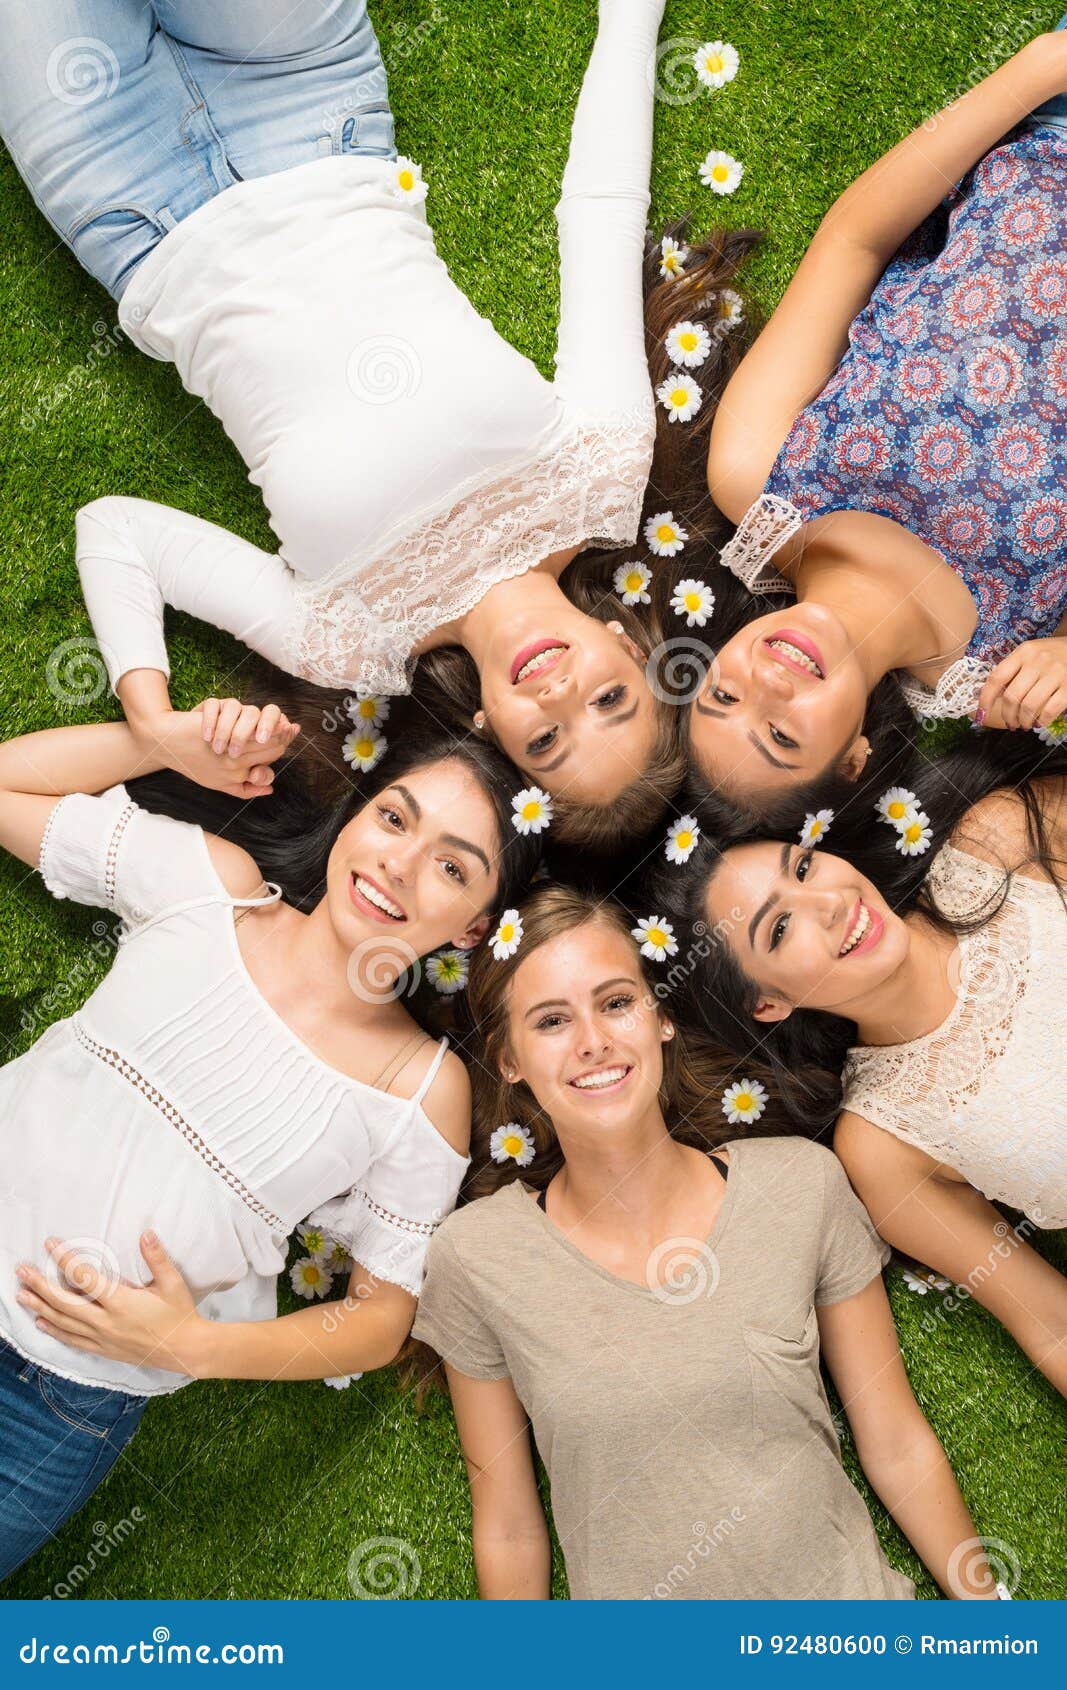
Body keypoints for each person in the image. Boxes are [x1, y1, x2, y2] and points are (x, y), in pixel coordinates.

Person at [0, 0, 688, 836]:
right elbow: (601, 212)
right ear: (628, 644)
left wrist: (153, 722)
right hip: (308, 101)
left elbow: (115, 532)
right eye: (610, 699)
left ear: (490, 734)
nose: (560, 694)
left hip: (121, 201)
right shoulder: (605, 474)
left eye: (546, 741)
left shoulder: (351, 644)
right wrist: (631, 17)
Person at [0, 708, 539, 1581]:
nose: (398, 865)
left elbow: (379, 1321)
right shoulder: (208, 885)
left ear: (475, 928)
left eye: (451, 867)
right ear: (355, 816)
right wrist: (157, 742)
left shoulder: (418, 1089)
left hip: (59, 1406)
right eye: (393, 818)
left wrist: (190, 1347)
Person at [409, 886, 1003, 1600]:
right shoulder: (478, 1256)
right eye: (552, 1021)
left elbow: (895, 1441)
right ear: (508, 1059)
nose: (593, 1041)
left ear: (661, 1018)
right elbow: (508, 1525)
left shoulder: (800, 1184)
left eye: (616, 1003)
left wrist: (987, 1618)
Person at [687, 21, 1067, 812]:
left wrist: (1035, 71)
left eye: (722, 696)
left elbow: (852, 242)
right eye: (781, 736)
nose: (767, 685)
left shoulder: (758, 477)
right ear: (854, 759)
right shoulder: (1003, 668)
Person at [651, 733, 1067, 1400]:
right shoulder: (881, 1147)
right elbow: (1049, 1319)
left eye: (803, 868)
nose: (829, 903)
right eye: (779, 929)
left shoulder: (997, 840)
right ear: (767, 1003)